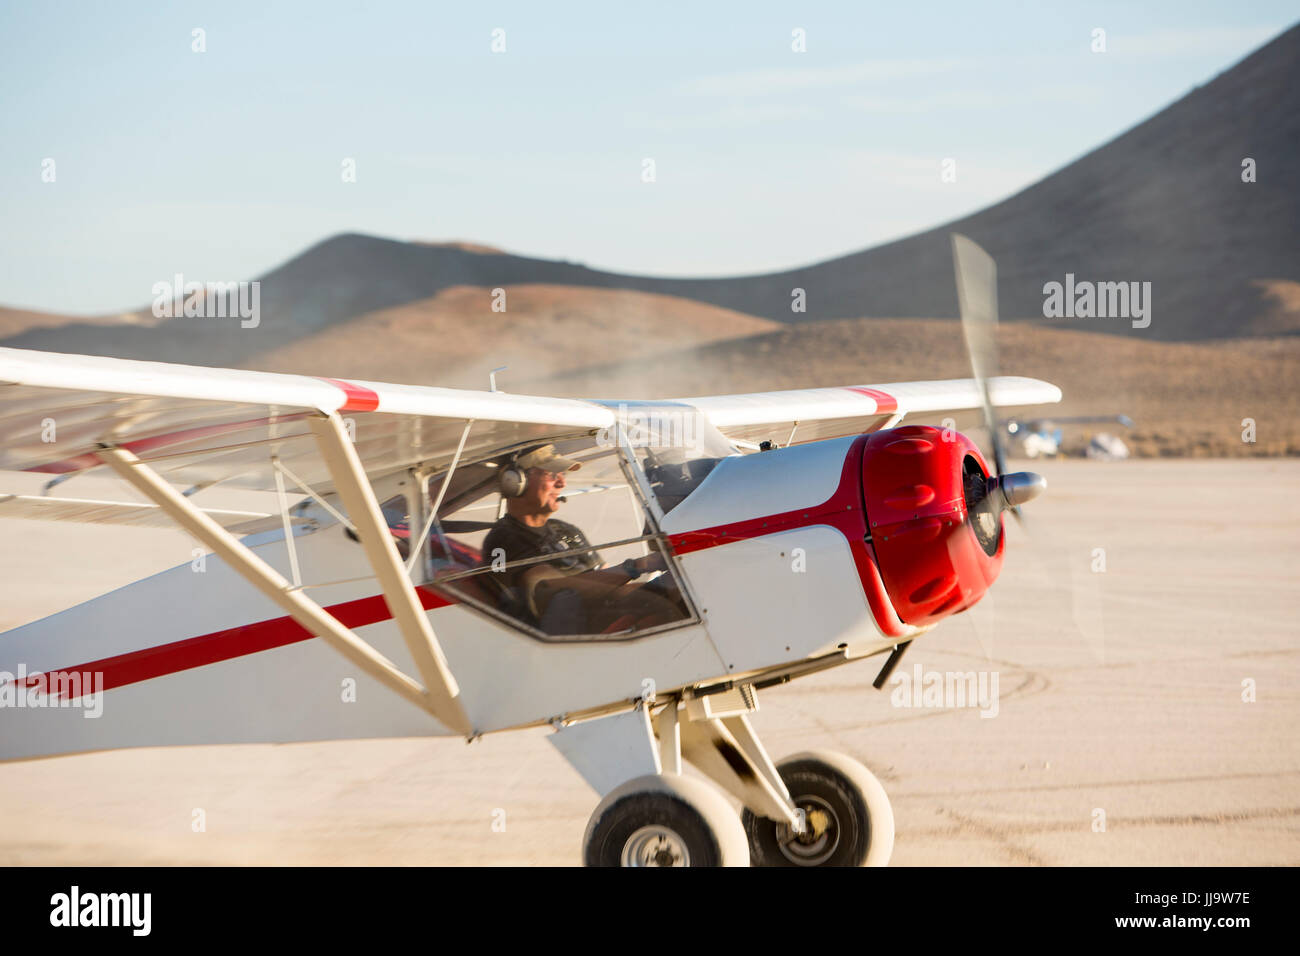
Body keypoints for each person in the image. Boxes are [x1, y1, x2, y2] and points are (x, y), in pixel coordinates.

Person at [481, 444, 679, 634]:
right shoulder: (504, 538)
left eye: (562, 475)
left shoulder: (565, 530)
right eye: (551, 475)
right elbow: (550, 588)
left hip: (602, 621)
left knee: (677, 592)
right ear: (515, 481)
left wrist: (663, 586)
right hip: (567, 640)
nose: (562, 483)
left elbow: (609, 580)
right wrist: (638, 566)